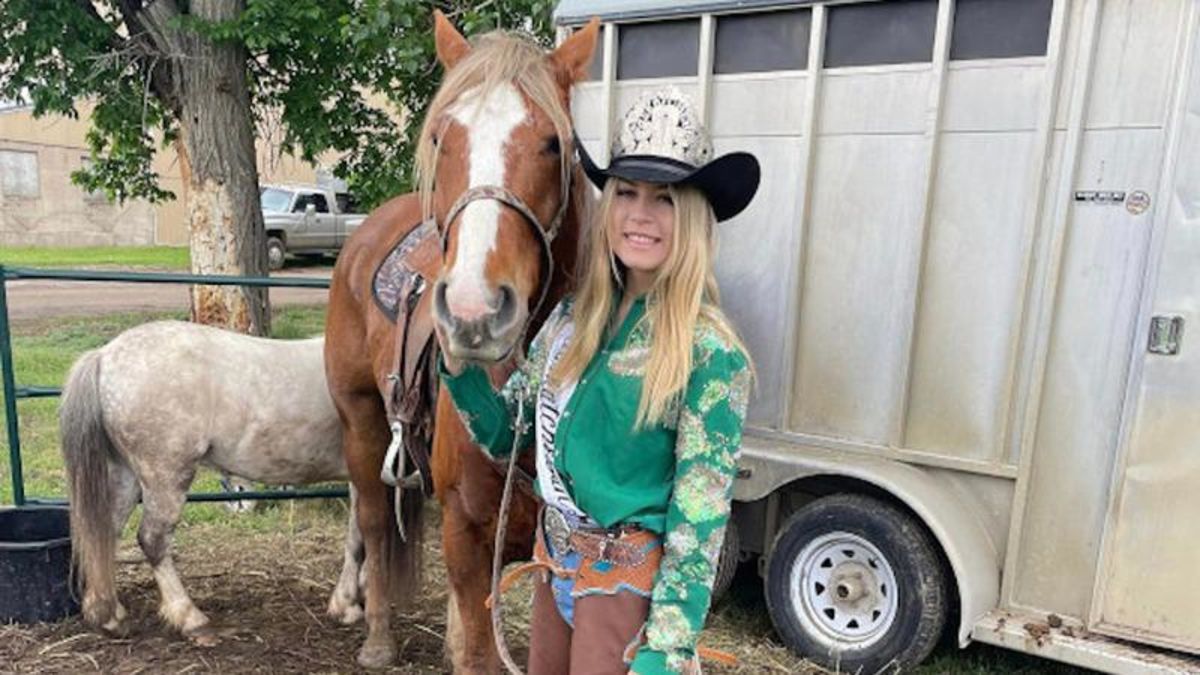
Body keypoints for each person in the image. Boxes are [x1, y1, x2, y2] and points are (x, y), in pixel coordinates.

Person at [440, 87, 759, 675]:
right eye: (628, 194)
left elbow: (700, 515)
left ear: (690, 217)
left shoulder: (711, 352)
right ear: (608, 205)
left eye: (664, 199)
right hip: (554, 560)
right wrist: (460, 371)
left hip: (626, 585)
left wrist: (668, 642)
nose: (641, 214)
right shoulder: (569, 320)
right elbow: (508, 435)